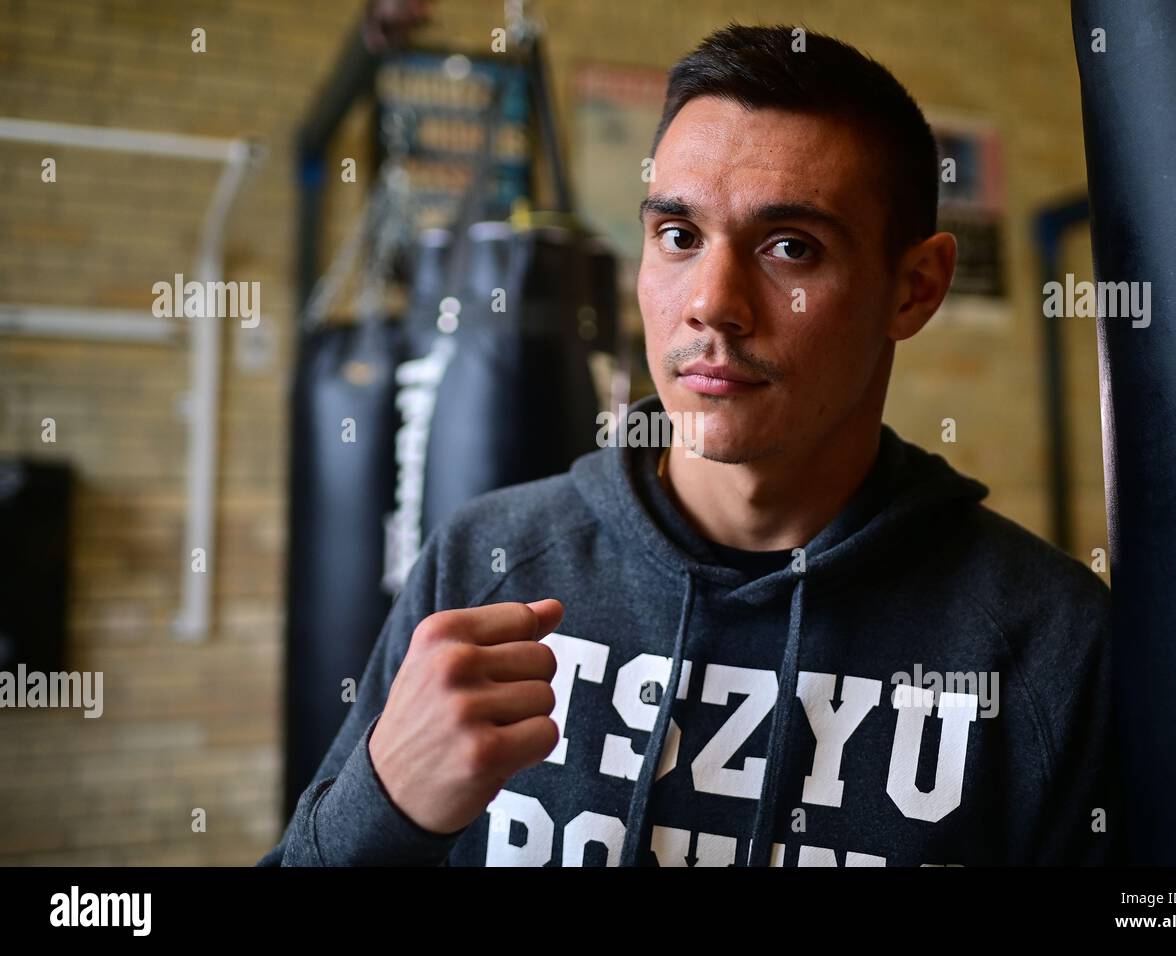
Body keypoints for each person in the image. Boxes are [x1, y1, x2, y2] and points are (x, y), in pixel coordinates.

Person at [259, 23, 1117, 867]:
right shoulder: (488, 560)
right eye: (679, 236)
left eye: (791, 247)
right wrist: (386, 804)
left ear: (914, 288)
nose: (712, 303)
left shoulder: (1046, 643)